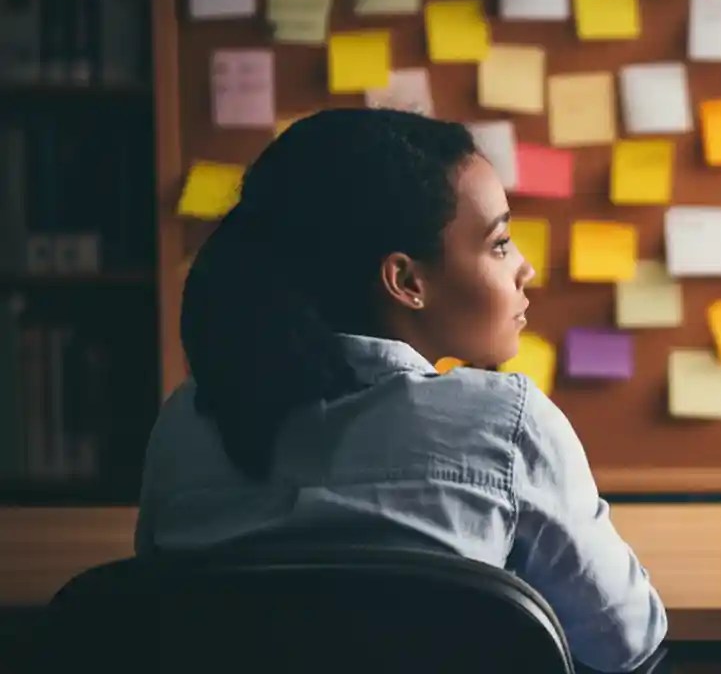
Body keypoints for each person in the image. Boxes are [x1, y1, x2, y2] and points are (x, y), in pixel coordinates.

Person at [134, 109, 667, 672]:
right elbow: (627, 643)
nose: (525, 269)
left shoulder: (185, 422)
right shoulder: (508, 424)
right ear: (408, 281)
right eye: (501, 243)